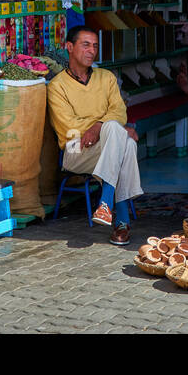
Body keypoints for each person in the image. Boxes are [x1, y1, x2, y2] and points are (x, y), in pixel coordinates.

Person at [46, 25, 141, 245]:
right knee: (121, 136)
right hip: (75, 149)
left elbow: (119, 111)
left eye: (95, 46)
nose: (92, 51)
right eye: (85, 45)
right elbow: (68, 127)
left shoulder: (106, 77)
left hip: (106, 146)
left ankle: (108, 209)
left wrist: (100, 127)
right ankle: (120, 218)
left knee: (120, 138)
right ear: (69, 47)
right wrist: (105, 126)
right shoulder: (58, 86)